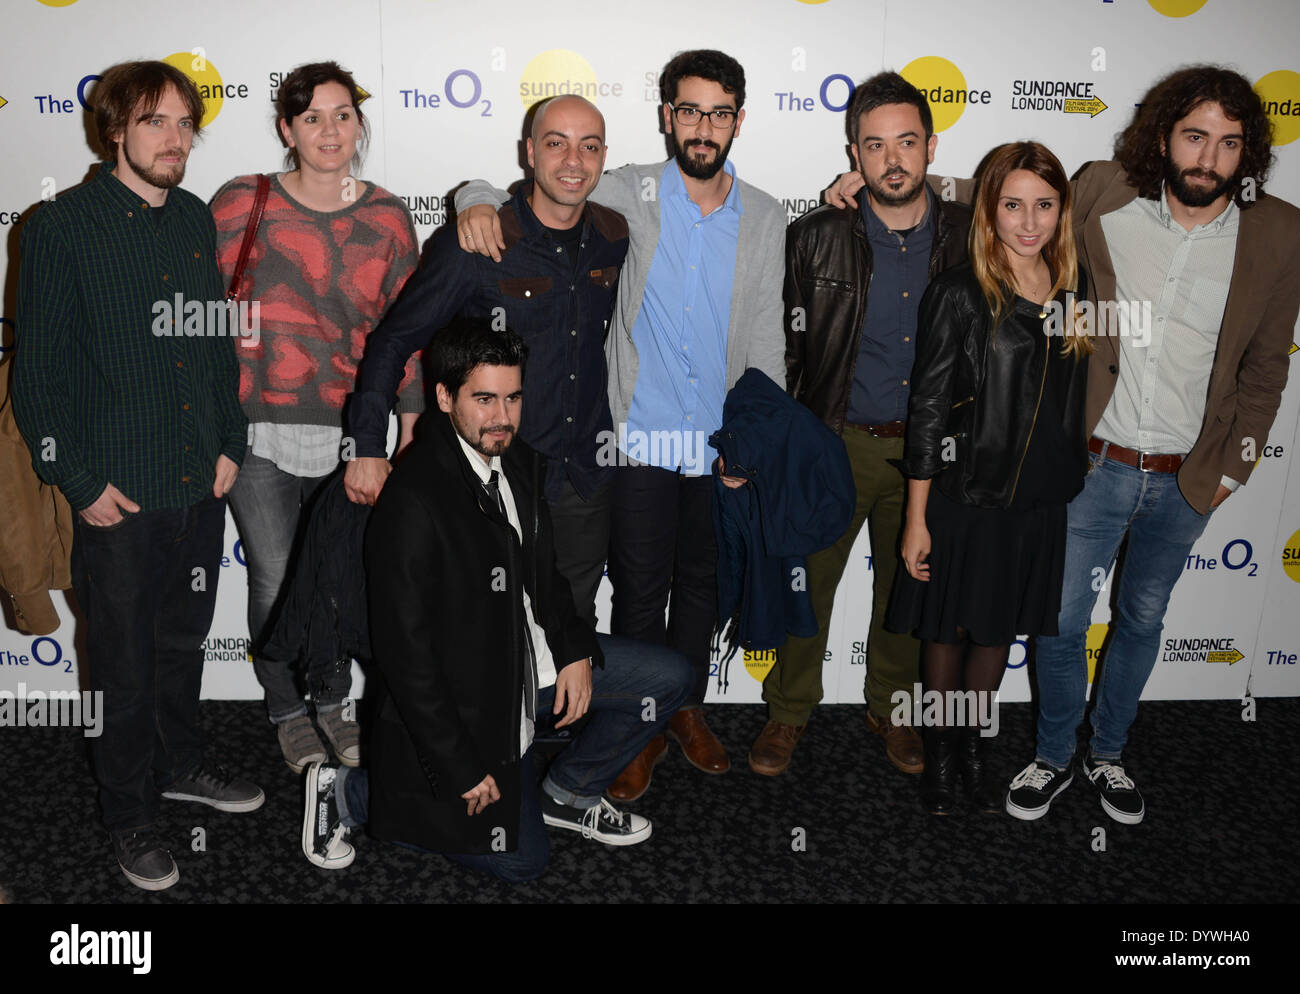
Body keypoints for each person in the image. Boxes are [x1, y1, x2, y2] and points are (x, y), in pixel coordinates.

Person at [828, 66, 1300, 824]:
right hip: (1037, 481)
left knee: (1116, 623)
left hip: (1122, 486)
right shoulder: (1100, 200)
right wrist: (877, 179)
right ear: (1164, 138)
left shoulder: (1254, 238)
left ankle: (1091, 754)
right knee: (1014, 631)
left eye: (1228, 142)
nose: (1208, 156)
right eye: (1193, 135)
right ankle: (1007, 758)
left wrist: (1235, 471)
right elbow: (1002, 194)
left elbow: (1267, 364)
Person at [456, 49, 786, 799]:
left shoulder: (765, 215)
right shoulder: (629, 189)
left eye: (720, 111)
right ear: (668, 115)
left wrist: (754, 439)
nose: (705, 126)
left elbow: (769, 334)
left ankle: (687, 710)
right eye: (691, 110)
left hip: (720, 440)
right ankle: (636, 726)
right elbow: (540, 181)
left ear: (740, 119)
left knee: (702, 584)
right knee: (638, 589)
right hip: (636, 434)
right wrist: (473, 195)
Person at [301, 320, 693, 881]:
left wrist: (573, 648)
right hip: (469, 703)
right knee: (522, 862)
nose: (502, 417)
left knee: (670, 676)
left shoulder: (519, 461)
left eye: (512, 397)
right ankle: (351, 794)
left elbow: (547, 578)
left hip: (531, 668)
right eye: (483, 399)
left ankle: (567, 793)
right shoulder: (414, 500)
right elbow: (406, 658)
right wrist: (458, 768)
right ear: (443, 397)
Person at [12, 60, 262, 891]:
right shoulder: (60, 227)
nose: (175, 140)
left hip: (200, 486)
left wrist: (230, 439)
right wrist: (79, 482)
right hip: (117, 499)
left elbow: (213, 344)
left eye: (186, 124)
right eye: (156, 122)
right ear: (115, 128)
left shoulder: (193, 218)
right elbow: (36, 382)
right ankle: (130, 817)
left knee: (182, 645)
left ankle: (181, 766)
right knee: (120, 668)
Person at [749, 72, 971, 780]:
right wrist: (780, 444)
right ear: (855, 154)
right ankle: (788, 714)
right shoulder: (814, 237)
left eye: (907, 142)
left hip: (931, 453)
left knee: (909, 590)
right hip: (834, 441)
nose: (893, 160)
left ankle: (892, 708)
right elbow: (783, 350)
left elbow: (1025, 198)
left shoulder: (971, 233)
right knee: (808, 587)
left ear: (933, 147)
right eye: (875, 146)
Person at [346, 95, 628, 631]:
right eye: (556, 144)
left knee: (571, 627)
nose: (573, 160)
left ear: (603, 156)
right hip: (492, 477)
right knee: (482, 630)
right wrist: (365, 443)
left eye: (588, 147)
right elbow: (392, 341)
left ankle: (559, 721)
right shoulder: (479, 241)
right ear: (529, 152)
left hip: (583, 481)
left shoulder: (614, 236)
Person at [210, 61, 421, 774]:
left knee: (335, 575)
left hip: (350, 436)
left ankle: (332, 705)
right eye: (312, 117)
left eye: (342, 114)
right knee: (272, 578)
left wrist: (411, 416)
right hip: (255, 430)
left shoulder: (388, 216)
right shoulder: (243, 202)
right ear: (286, 129)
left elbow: (404, 329)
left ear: (359, 124)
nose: (330, 130)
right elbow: (201, 316)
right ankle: (286, 711)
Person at [888, 142, 1091, 815]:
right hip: (962, 497)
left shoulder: (1073, 287)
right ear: (989, 210)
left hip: (1035, 506)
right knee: (947, 634)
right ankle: (941, 756)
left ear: (1061, 210)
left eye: (1043, 204)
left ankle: (974, 745)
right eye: (1012, 205)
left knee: (997, 637)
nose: (1028, 221)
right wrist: (916, 518)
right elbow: (927, 409)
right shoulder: (958, 291)